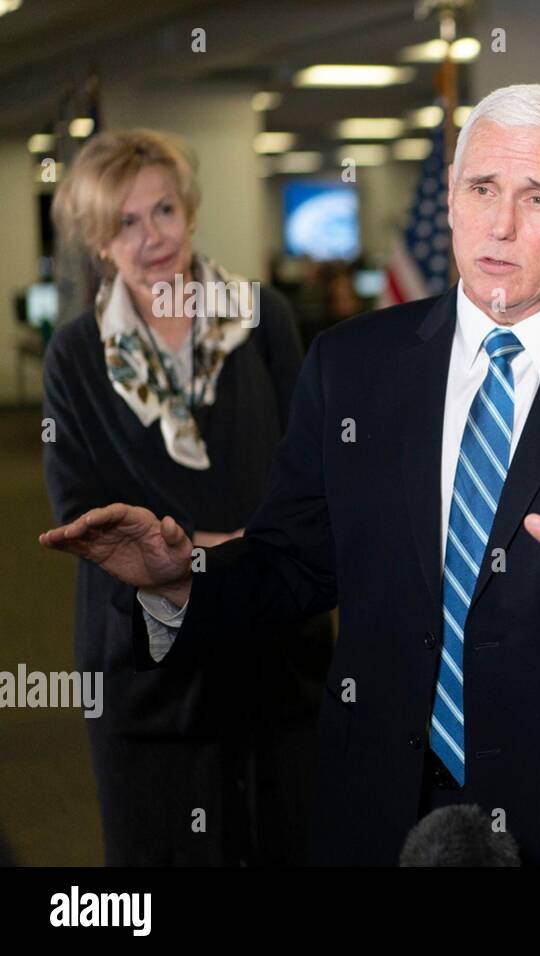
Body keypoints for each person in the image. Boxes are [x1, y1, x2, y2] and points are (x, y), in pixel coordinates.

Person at [40, 85, 540, 866]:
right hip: (380, 805)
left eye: (537, 198)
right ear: (450, 197)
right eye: (481, 189)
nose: (501, 225)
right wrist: (180, 581)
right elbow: (293, 560)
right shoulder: (351, 366)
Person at [43, 128, 333, 865]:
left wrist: (209, 556)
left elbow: (311, 481)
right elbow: (81, 516)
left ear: (191, 211)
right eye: (125, 223)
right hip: (148, 673)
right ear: (98, 242)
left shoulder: (263, 319)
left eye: (163, 210)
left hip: (277, 655)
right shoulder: (76, 355)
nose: (152, 238)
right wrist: (210, 557)